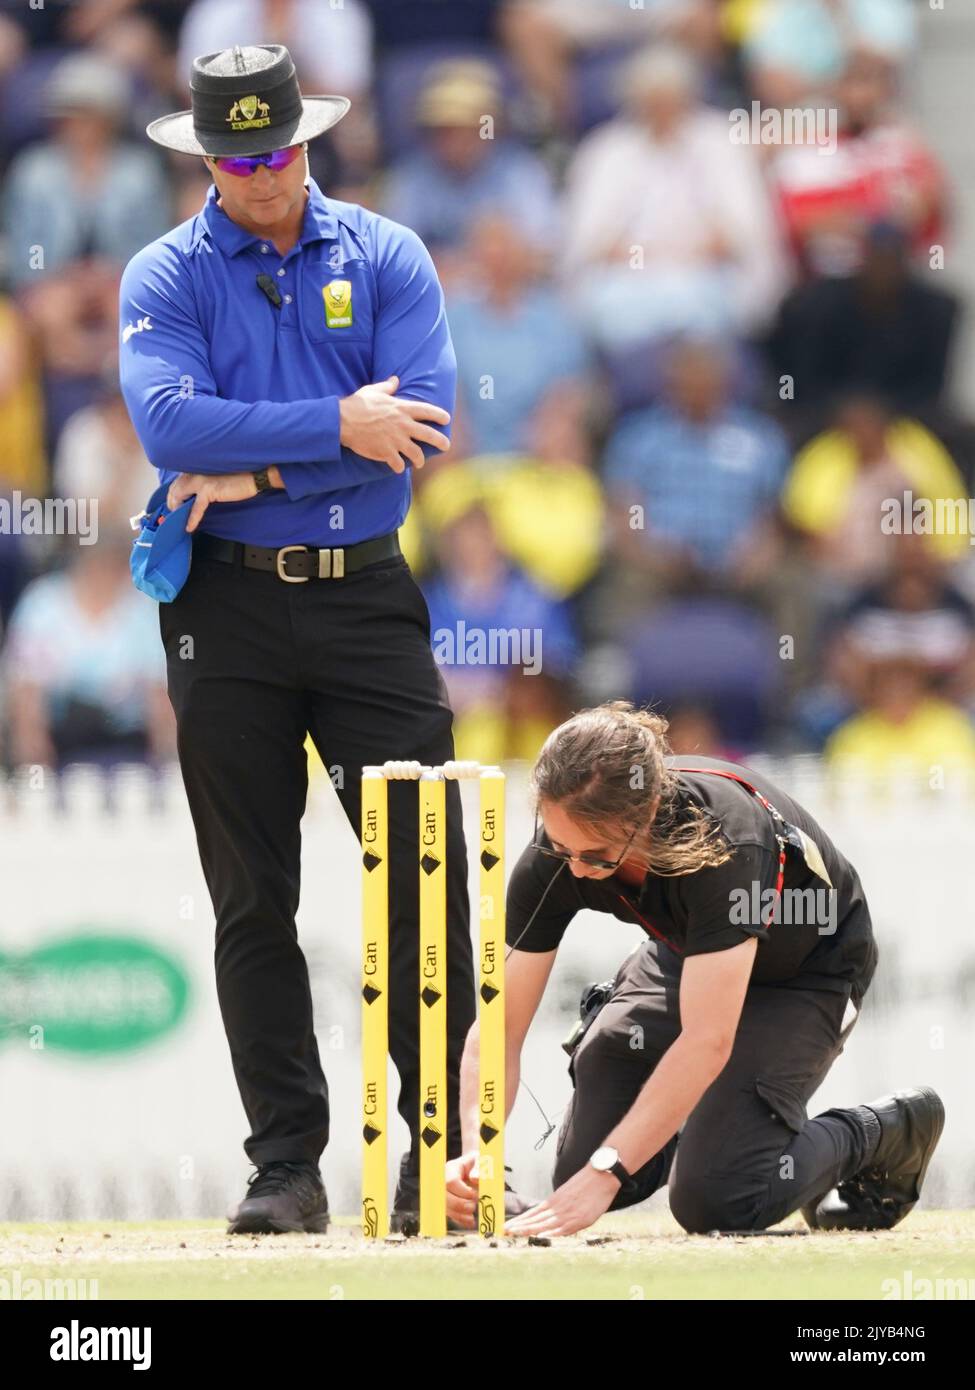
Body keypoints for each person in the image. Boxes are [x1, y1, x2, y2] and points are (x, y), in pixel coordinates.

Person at [118, 43, 476, 1236]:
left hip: (366, 595)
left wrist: (254, 462)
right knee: (250, 896)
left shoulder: (386, 253)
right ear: (209, 158)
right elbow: (170, 428)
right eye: (243, 156)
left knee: (421, 874)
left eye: (282, 149)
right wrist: (332, 426)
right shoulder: (165, 274)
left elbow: (418, 422)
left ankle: (452, 1154)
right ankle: (286, 1166)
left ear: (306, 140)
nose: (267, 174)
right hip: (221, 607)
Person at [447, 700, 944, 1236]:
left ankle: (885, 1132)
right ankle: (707, 1127)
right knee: (579, 1169)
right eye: (561, 845)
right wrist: (480, 1150)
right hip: (689, 956)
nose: (575, 870)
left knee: (717, 1199)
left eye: (597, 856)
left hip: (805, 974)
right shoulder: (562, 849)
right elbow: (500, 1025)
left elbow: (708, 1039)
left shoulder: (728, 843)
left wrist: (609, 1168)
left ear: (650, 811)